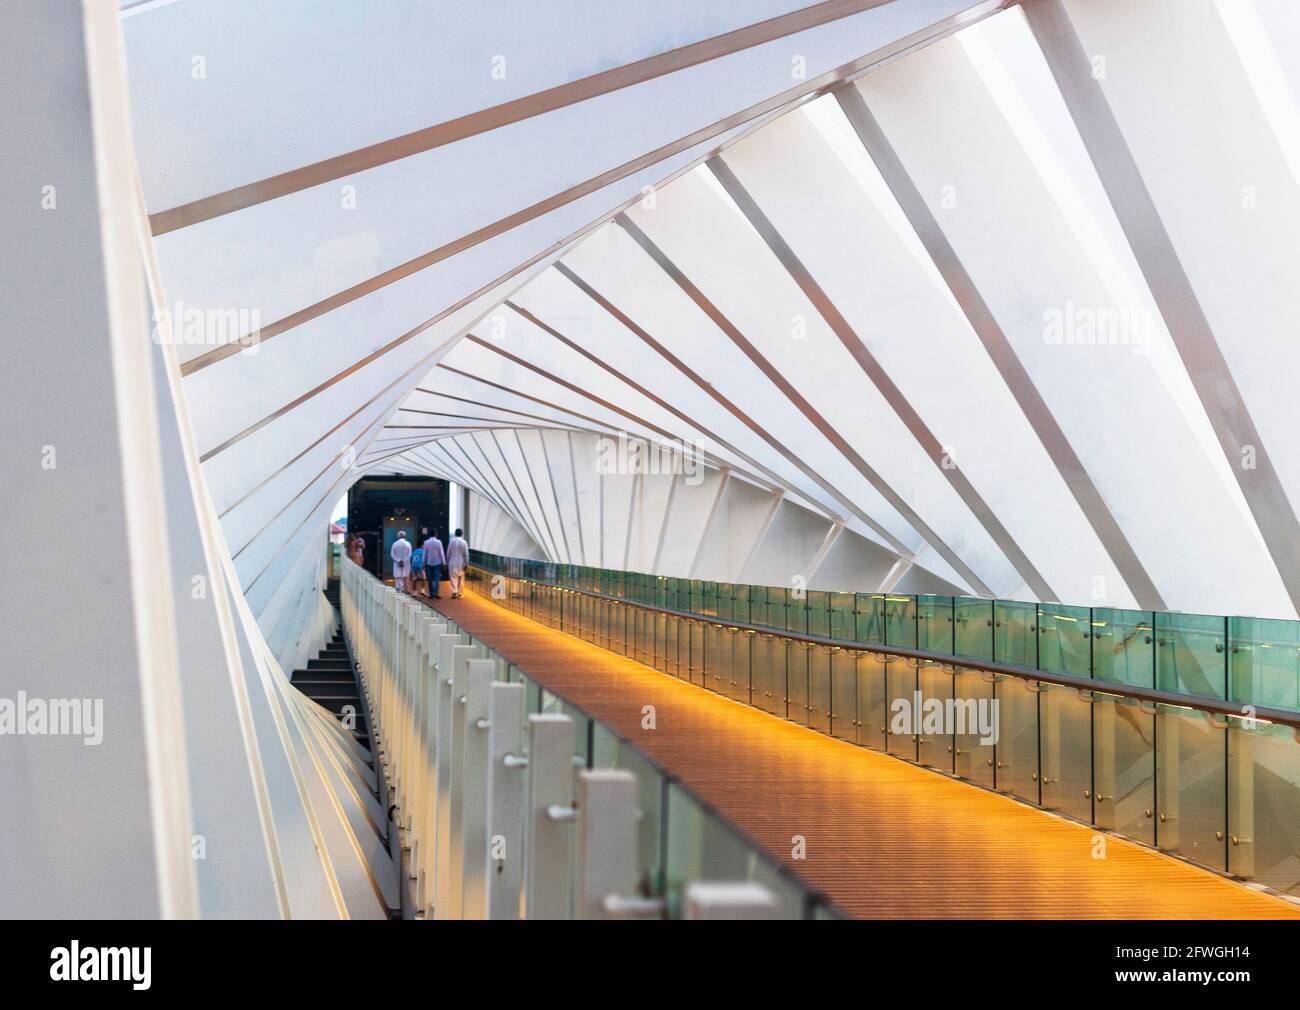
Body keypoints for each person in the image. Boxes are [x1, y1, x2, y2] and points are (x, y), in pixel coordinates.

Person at [422, 530, 446, 599]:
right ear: (436, 534)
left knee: (429, 579)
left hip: (429, 563)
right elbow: (441, 553)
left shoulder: (426, 542)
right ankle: (436, 593)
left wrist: (423, 564)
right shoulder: (439, 542)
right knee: (436, 579)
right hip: (437, 563)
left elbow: (425, 554)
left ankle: (431, 594)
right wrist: (444, 563)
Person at [446, 527, 468, 599]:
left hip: (452, 561)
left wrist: (447, 561)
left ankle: (454, 591)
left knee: (453, 577)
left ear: (455, 534)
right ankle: (460, 593)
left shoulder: (452, 541)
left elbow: (448, 552)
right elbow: (466, 554)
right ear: (462, 534)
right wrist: (466, 563)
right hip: (461, 561)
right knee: (461, 577)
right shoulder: (464, 542)